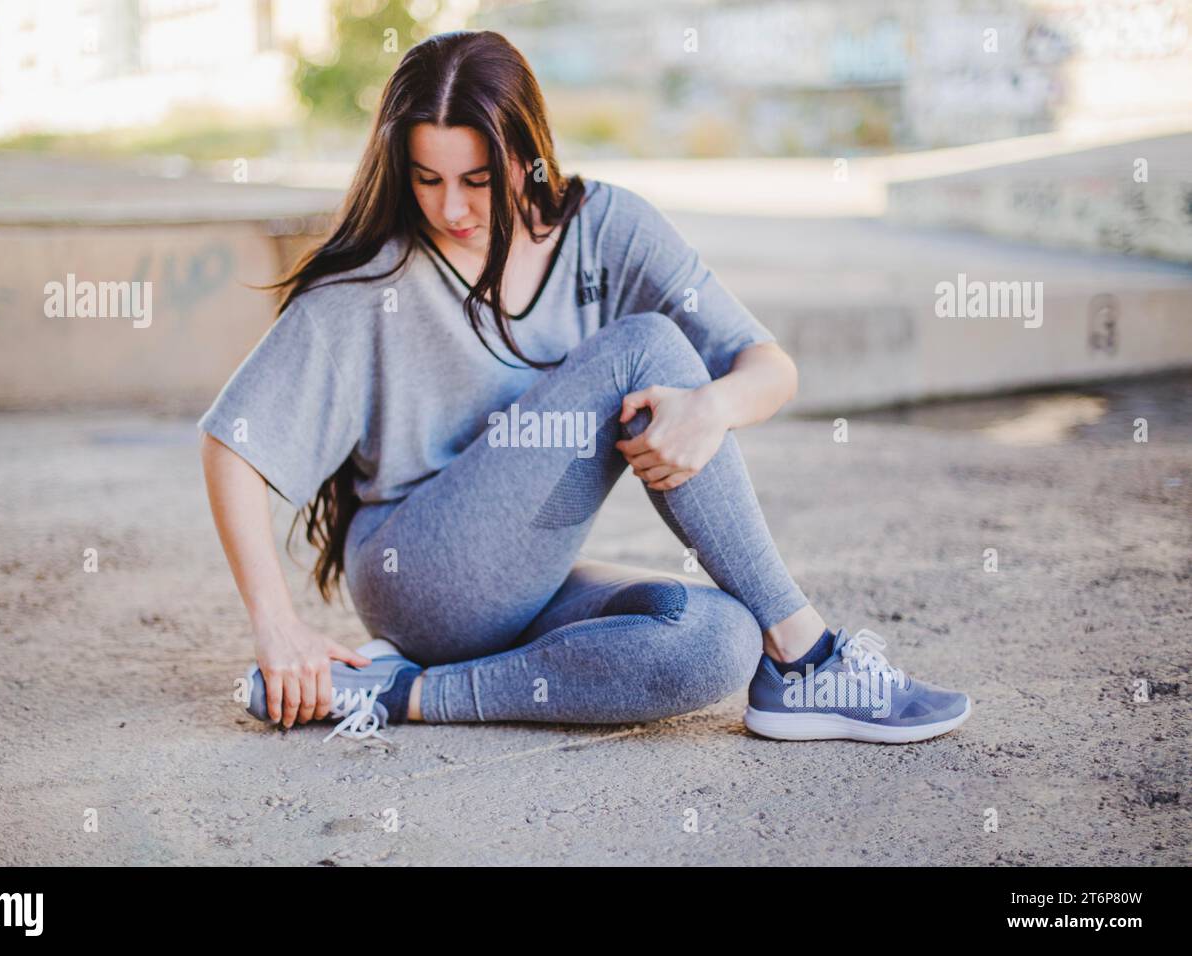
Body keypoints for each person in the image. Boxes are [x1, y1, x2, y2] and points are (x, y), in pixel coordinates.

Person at [198, 30, 972, 745]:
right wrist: (277, 627)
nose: (451, 207)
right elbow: (232, 443)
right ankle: (810, 659)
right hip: (421, 577)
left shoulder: (607, 229)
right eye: (426, 178)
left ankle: (397, 695)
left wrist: (711, 408)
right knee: (647, 348)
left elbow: (769, 366)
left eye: (477, 178)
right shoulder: (374, 283)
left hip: (527, 581)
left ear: (527, 153)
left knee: (715, 640)